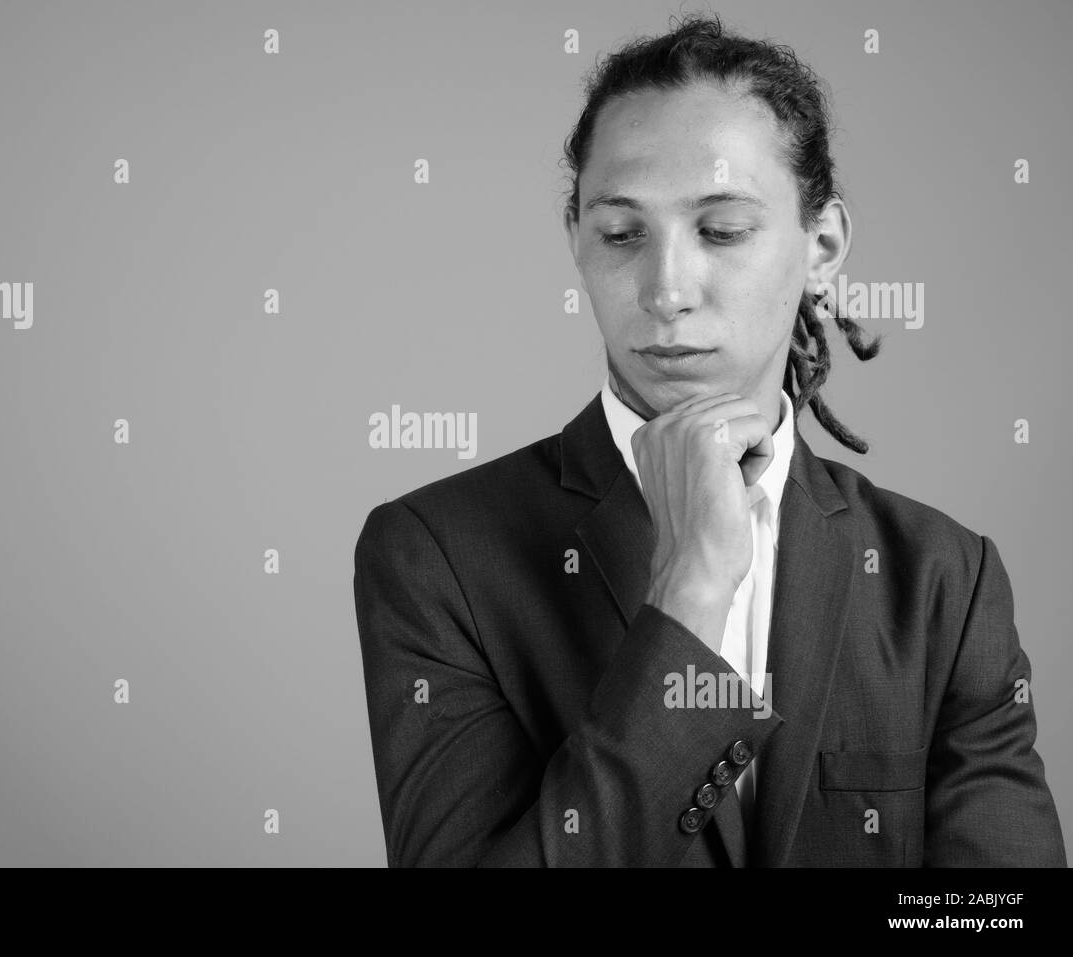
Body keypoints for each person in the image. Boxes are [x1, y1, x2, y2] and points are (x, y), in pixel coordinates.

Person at [352, 13, 1065, 867]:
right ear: (575, 240)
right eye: (622, 234)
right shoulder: (437, 554)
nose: (666, 289)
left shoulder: (946, 578)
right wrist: (688, 591)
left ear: (823, 245)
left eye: (722, 230)